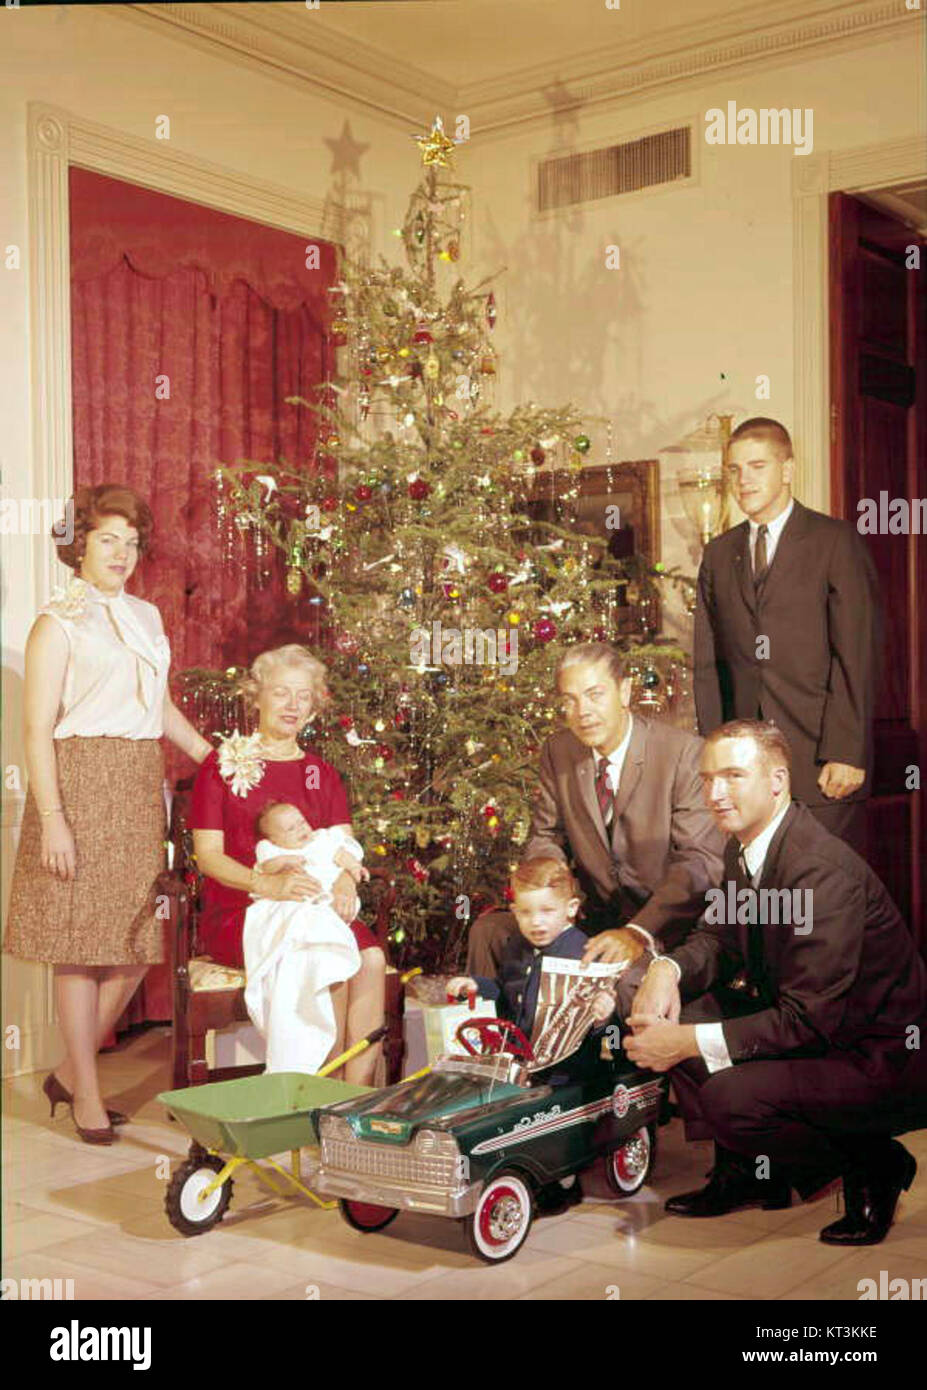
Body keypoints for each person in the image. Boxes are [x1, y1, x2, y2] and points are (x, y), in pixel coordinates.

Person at [625, 719, 927, 1246]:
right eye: (708, 778)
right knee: (681, 1014)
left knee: (727, 1095)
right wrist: (663, 969)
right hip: (816, 1029)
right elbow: (718, 937)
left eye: (734, 776)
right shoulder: (745, 846)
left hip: (878, 1056)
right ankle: (748, 1175)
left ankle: (874, 1162)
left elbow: (809, 1020)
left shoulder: (819, 870)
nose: (716, 794)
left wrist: (686, 1042)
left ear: (777, 781)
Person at [4, 484, 213, 1144]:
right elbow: (36, 730)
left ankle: (68, 1070)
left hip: (132, 783)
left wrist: (214, 760)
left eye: (130, 542)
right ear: (79, 546)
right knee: (78, 947)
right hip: (76, 782)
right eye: (106, 540)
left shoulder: (147, 618)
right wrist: (54, 815)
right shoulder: (56, 622)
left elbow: (159, 709)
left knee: (129, 947)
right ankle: (87, 1095)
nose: (121, 553)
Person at [466, 642, 725, 1014]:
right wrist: (551, 901)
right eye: (570, 700)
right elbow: (546, 836)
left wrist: (638, 932)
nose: (582, 712)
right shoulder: (560, 751)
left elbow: (699, 865)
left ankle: (589, 1067)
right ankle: (499, 1049)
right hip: (592, 919)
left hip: (667, 928)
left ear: (624, 691)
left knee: (621, 977)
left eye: (594, 695)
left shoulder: (683, 753)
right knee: (490, 932)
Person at [189, 645, 386, 1085]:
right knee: (328, 962)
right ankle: (321, 1095)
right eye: (281, 693)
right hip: (245, 908)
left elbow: (343, 843)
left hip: (313, 903)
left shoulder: (321, 773)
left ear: (314, 705)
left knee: (371, 960)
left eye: (303, 696)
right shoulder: (220, 768)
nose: (293, 705)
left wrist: (344, 882)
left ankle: (355, 1099)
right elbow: (208, 858)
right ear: (256, 698)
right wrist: (268, 885)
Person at [694, 416, 879, 849]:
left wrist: (846, 751)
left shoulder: (835, 541)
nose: (744, 480)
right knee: (758, 902)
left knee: (823, 903)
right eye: (735, 470)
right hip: (746, 773)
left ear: (788, 470)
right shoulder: (719, 555)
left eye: (757, 466)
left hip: (821, 765)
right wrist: (717, 757)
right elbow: (708, 663)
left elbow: (856, 653)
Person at [243, 802, 365, 1075]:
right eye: (290, 828)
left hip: (329, 898)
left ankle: (340, 1071)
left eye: (301, 822)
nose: (302, 829)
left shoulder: (322, 839)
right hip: (289, 898)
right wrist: (285, 862)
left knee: (324, 919)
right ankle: (306, 1049)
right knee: (297, 923)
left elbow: (345, 855)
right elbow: (268, 866)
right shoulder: (271, 849)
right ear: (274, 838)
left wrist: (354, 870)